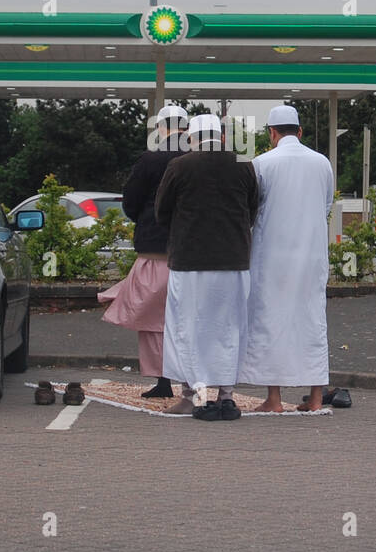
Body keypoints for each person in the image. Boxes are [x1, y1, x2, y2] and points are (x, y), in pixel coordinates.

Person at [155, 113, 259, 421]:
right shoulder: (245, 165)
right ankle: (226, 397)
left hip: (190, 261)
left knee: (189, 329)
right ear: (222, 137)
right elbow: (253, 208)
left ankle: (195, 397)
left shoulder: (179, 166)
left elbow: (162, 212)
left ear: (192, 138)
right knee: (229, 328)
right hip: (234, 261)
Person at [239, 105, 335, 412]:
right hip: (311, 255)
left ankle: (274, 399)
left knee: (271, 321)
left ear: (271, 133)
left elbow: (252, 209)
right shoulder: (322, 163)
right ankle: (316, 398)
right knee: (313, 321)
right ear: (300, 131)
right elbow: (326, 206)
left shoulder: (261, 163)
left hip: (272, 257)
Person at [97, 105, 189, 397]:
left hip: (154, 248)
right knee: (188, 318)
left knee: (153, 319)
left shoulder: (150, 159)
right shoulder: (196, 158)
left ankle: (163, 382)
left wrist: (146, 219)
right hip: (193, 248)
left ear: (160, 128)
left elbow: (131, 201)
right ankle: (192, 383)